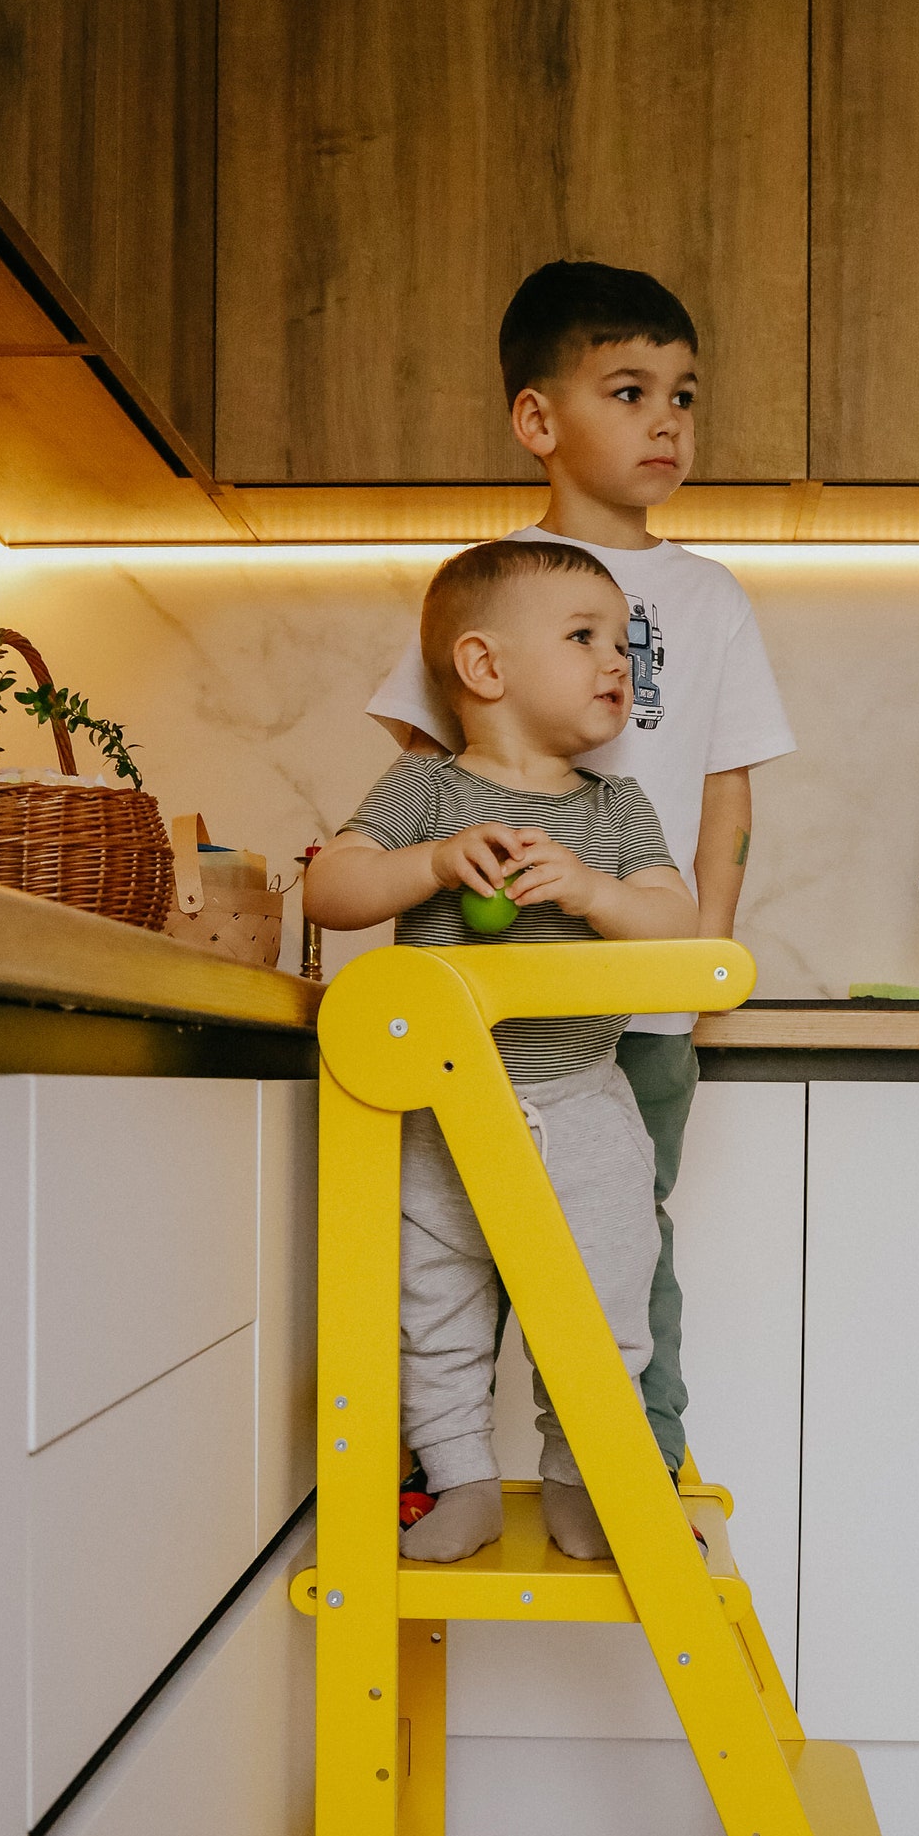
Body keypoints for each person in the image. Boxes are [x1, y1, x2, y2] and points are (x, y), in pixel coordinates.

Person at [368, 259, 794, 1479]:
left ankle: (628, 1470)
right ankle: (429, 1475)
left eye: (684, 393)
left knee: (618, 1250)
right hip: (473, 1007)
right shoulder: (487, 583)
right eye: (628, 388)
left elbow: (726, 787)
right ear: (538, 421)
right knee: (450, 1245)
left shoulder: (710, 599)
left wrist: (702, 955)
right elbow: (413, 770)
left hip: (634, 1008)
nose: (667, 419)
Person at [305, 537, 697, 1562]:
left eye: (621, 641)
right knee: (435, 1304)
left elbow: (676, 919)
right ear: (484, 667)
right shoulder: (423, 790)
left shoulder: (616, 810)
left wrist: (592, 892)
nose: (617, 660)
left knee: (606, 1299)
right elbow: (332, 889)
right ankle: (461, 1480)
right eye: (583, 637)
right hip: (437, 1112)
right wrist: (430, 864)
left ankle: (581, 1476)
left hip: (581, 1103)